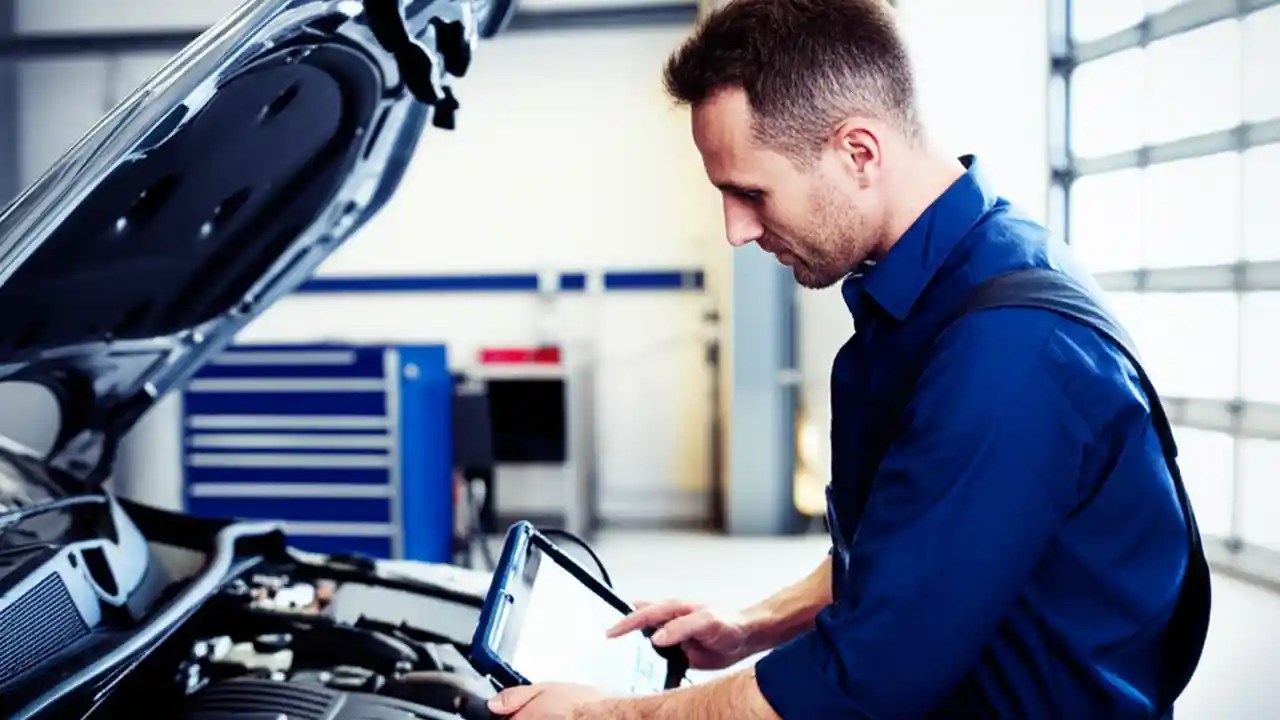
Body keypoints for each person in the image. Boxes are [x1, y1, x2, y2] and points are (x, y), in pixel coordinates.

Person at [488, 0, 1204, 717]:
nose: (736, 230)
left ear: (858, 152)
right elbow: (911, 547)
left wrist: (593, 715)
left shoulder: (1007, 357)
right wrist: (750, 627)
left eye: (750, 192)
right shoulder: (955, 275)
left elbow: (858, 684)